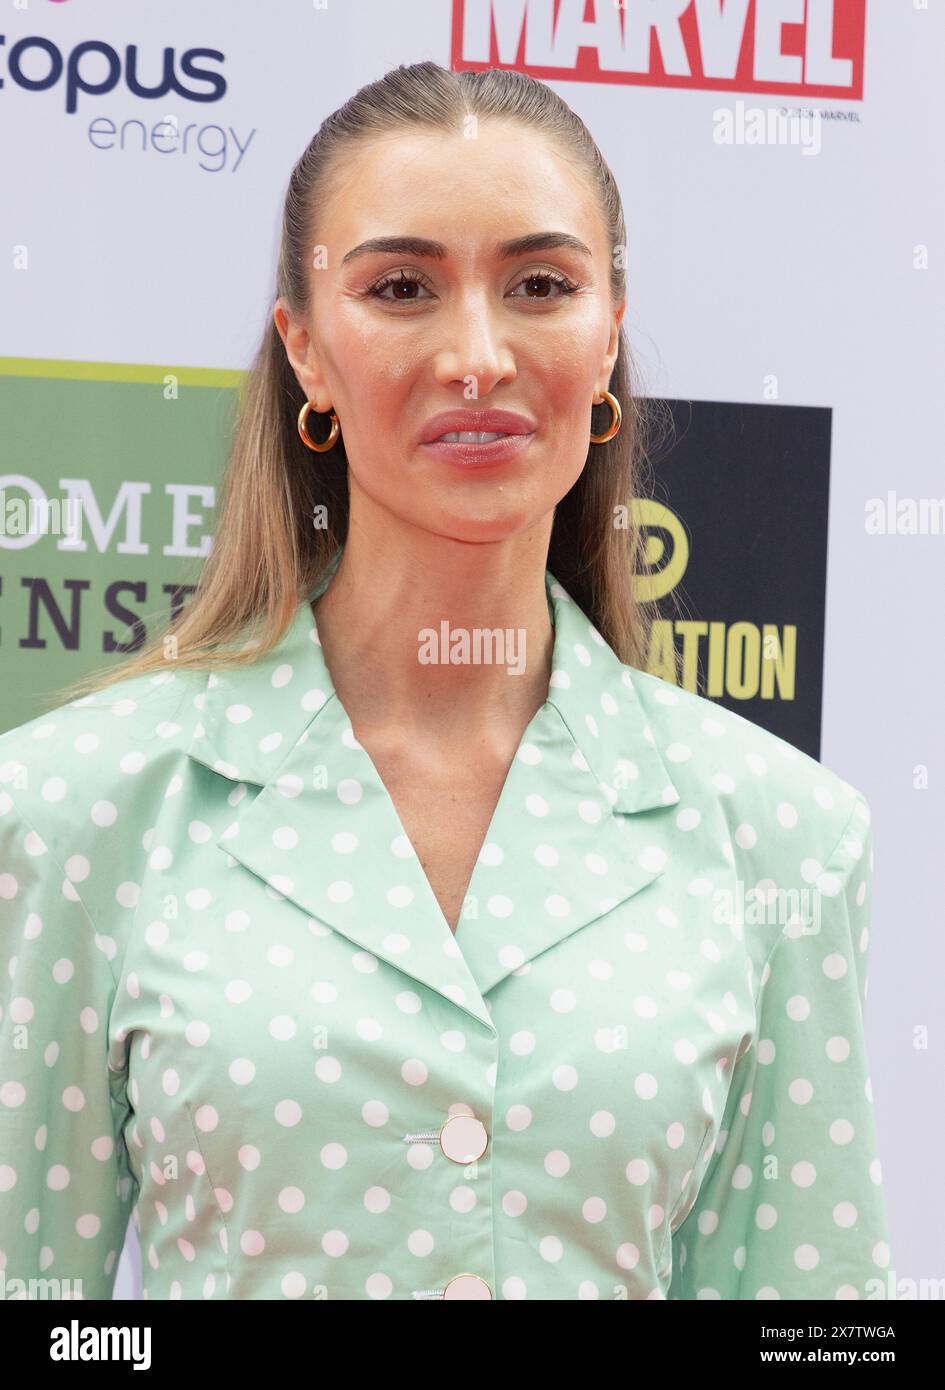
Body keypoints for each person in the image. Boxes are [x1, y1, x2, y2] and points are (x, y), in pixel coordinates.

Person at [0, 61, 892, 1301]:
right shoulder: (76, 809)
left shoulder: (778, 836)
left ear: (608, 333)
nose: (477, 355)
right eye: (401, 288)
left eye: (540, 285)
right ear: (306, 349)